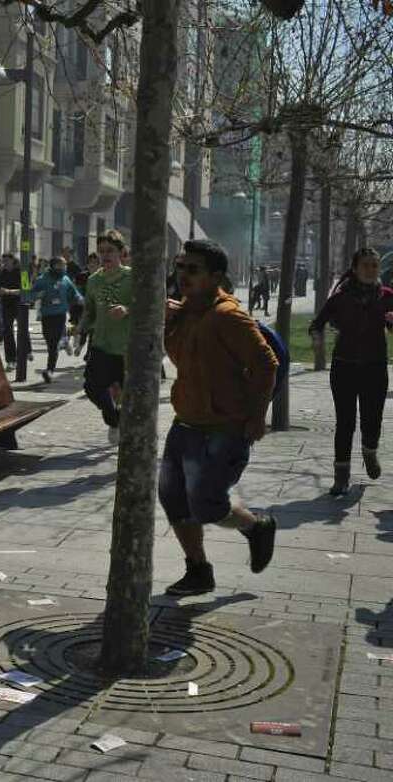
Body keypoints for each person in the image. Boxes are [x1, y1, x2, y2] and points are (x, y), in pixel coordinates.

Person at [160, 239, 278, 596]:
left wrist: (257, 416)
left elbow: (266, 365)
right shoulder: (184, 312)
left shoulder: (229, 316)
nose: (183, 275)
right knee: (174, 499)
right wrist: (170, 321)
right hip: (186, 423)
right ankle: (198, 570)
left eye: (192, 269)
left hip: (224, 428)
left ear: (216, 277)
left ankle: (256, 526)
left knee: (206, 504)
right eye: (180, 267)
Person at [310, 247, 393, 495]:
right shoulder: (341, 297)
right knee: (345, 422)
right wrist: (317, 339)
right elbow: (317, 323)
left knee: (372, 419)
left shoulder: (388, 296)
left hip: (375, 368)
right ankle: (341, 476)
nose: (371, 270)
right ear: (355, 269)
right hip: (344, 367)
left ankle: (369, 452)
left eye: (374, 265)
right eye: (366, 265)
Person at [79, 230, 133, 444]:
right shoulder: (93, 280)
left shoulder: (133, 277)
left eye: (110, 251)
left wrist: (126, 309)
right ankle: (113, 419)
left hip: (126, 348)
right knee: (92, 387)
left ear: (122, 252)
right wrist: (80, 327)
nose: (105, 256)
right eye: (101, 251)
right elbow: (89, 310)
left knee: (127, 395)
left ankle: (126, 430)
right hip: (101, 344)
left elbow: (148, 308)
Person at [29, 257, 83, 382]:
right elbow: (31, 294)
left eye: (65, 265)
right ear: (54, 266)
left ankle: (50, 370)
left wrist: (80, 299)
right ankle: (64, 341)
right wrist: (38, 295)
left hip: (60, 315)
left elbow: (74, 293)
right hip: (47, 315)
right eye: (61, 265)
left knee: (53, 345)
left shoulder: (65, 279)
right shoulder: (43, 279)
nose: (64, 268)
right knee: (49, 341)